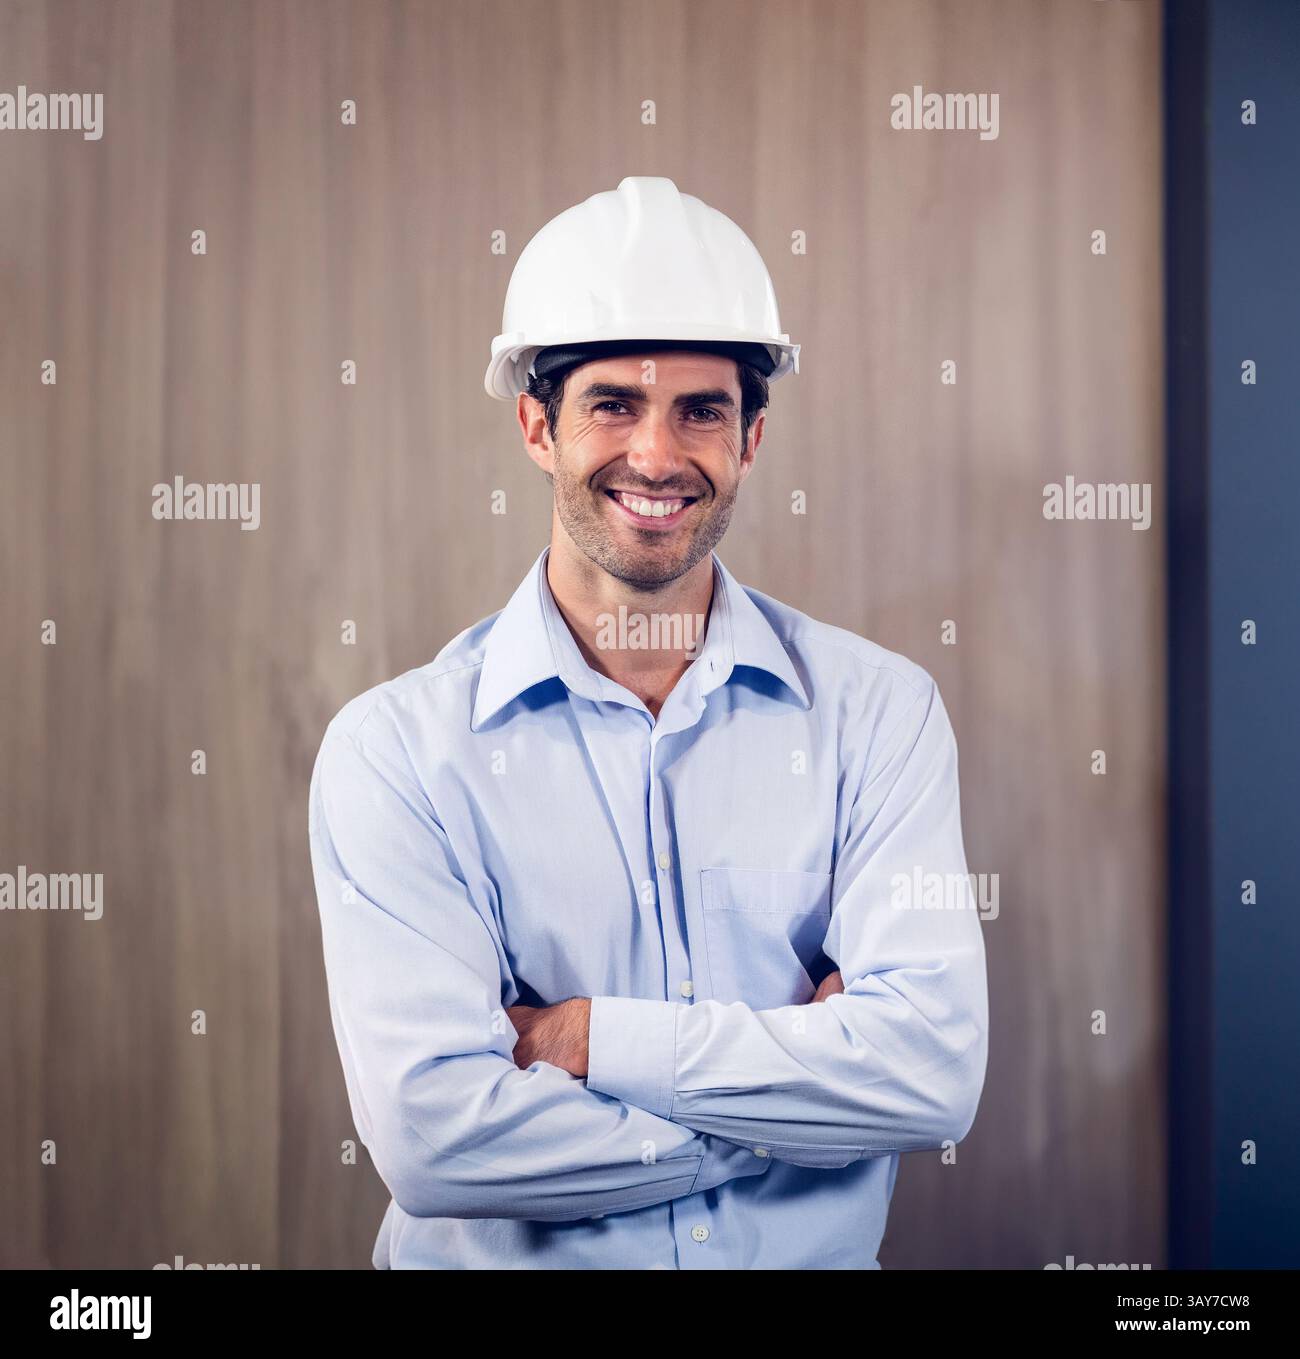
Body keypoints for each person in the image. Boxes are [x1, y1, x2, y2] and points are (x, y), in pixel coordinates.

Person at [309, 176, 988, 1269]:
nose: (659, 456)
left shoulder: (878, 715)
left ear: (752, 437)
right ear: (537, 425)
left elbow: (929, 1075)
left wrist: (585, 1042)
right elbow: (437, 1144)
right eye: (614, 403)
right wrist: (798, 1105)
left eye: (700, 410)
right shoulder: (396, 755)